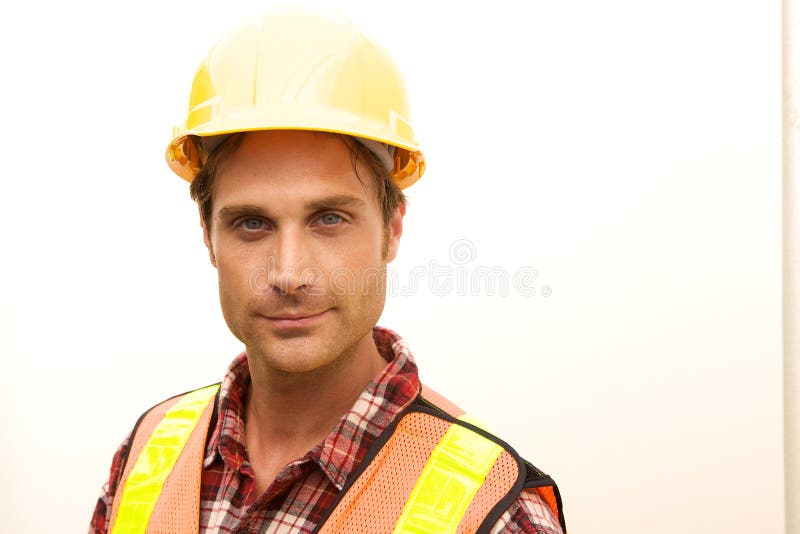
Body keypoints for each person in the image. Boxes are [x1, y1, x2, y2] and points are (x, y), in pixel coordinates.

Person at [89, 7, 567, 534]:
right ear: (208, 236)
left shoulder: (494, 513)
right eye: (252, 223)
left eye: (329, 218)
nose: (290, 274)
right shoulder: (146, 457)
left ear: (392, 229)